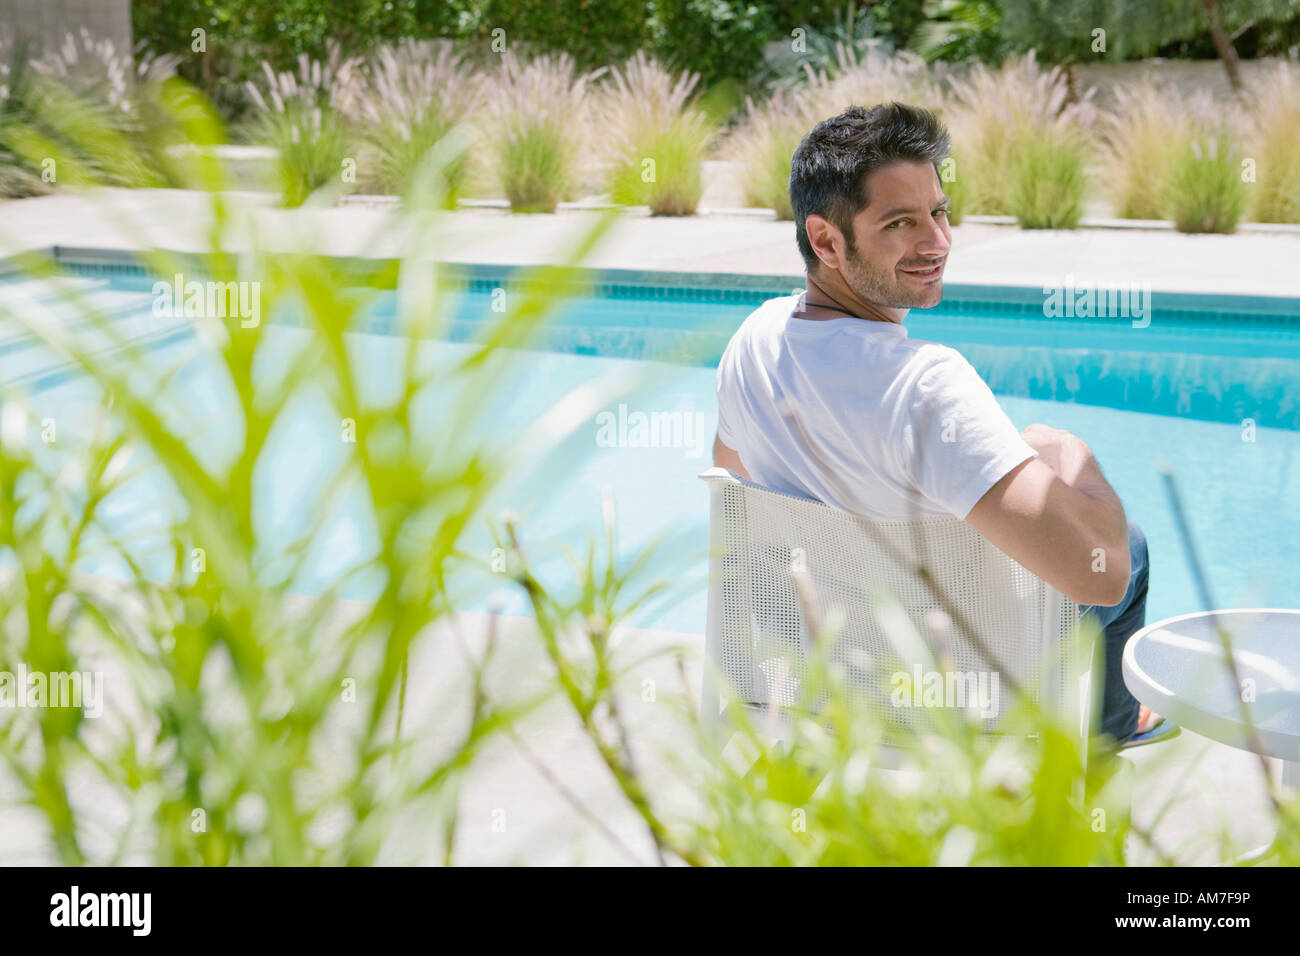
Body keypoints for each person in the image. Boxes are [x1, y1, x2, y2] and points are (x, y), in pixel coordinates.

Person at [711, 102, 1166, 744]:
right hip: (947, 682)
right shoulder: (925, 384)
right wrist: (1070, 456)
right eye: (900, 223)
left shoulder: (753, 340)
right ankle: (1098, 746)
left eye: (939, 211)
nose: (937, 242)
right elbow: (1101, 574)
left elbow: (734, 478)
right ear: (825, 241)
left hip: (822, 661)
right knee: (1133, 546)